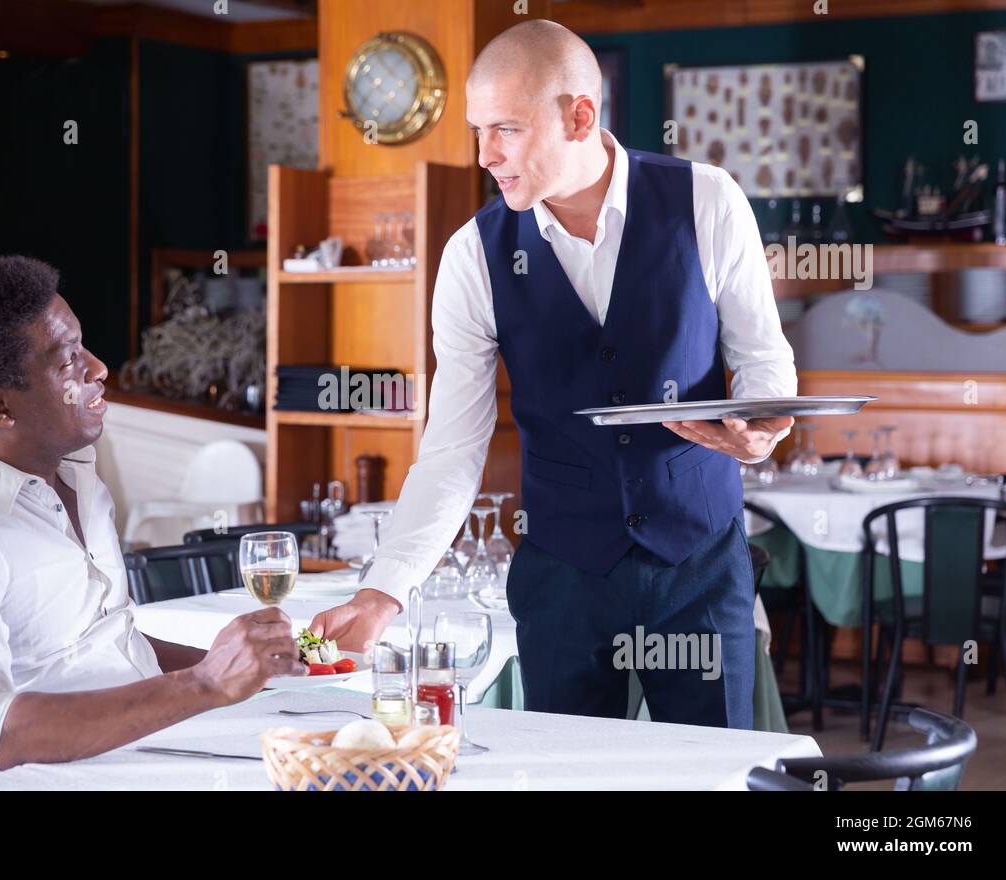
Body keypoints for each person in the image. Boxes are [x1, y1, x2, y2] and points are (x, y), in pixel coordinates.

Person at [310, 20, 796, 729]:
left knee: (710, 774)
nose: (485, 155)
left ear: (581, 116)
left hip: (700, 563)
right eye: (478, 131)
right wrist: (383, 593)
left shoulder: (707, 200)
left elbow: (764, 360)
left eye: (505, 128)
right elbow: (451, 449)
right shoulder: (473, 256)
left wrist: (760, 427)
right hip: (565, 575)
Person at [0, 255, 305, 785]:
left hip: (155, 755)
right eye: (68, 361)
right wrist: (204, 683)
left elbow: (112, 647)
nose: (99, 369)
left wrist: (264, 673)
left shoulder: (80, 482)